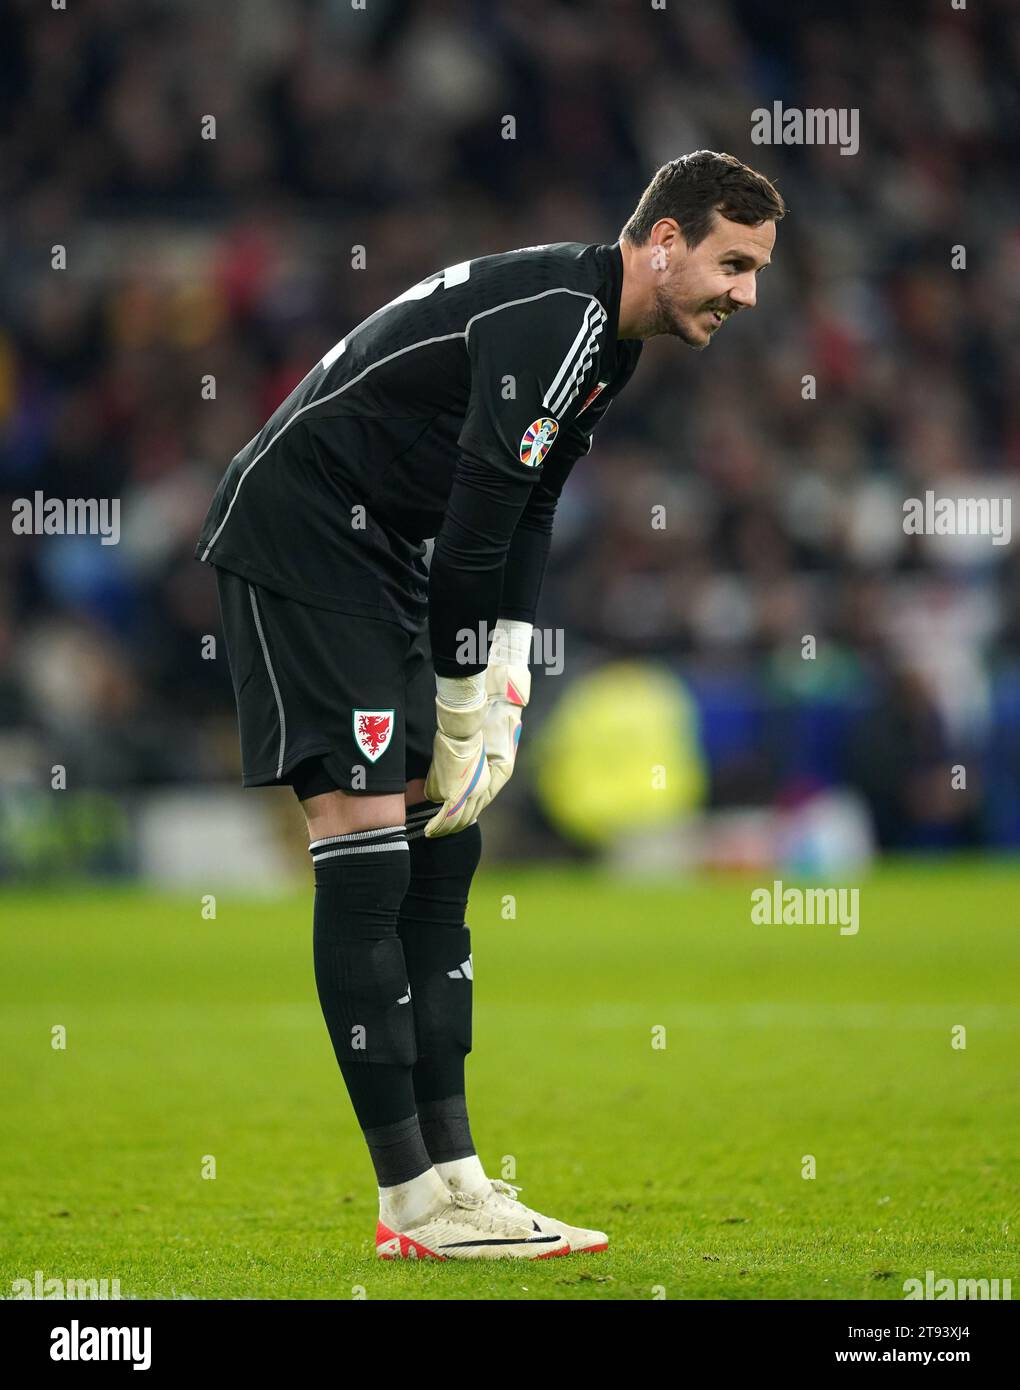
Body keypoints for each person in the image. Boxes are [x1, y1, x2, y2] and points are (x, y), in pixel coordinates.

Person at [195, 150, 785, 1260]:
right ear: (664, 241)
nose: (747, 294)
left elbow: (531, 506)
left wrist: (503, 680)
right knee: (368, 840)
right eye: (735, 262)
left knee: (444, 840)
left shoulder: (601, 337)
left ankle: (457, 1176)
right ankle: (410, 1199)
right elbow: (473, 535)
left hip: (376, 553)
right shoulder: (560, 316)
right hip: (305, 534)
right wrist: (468, 705)